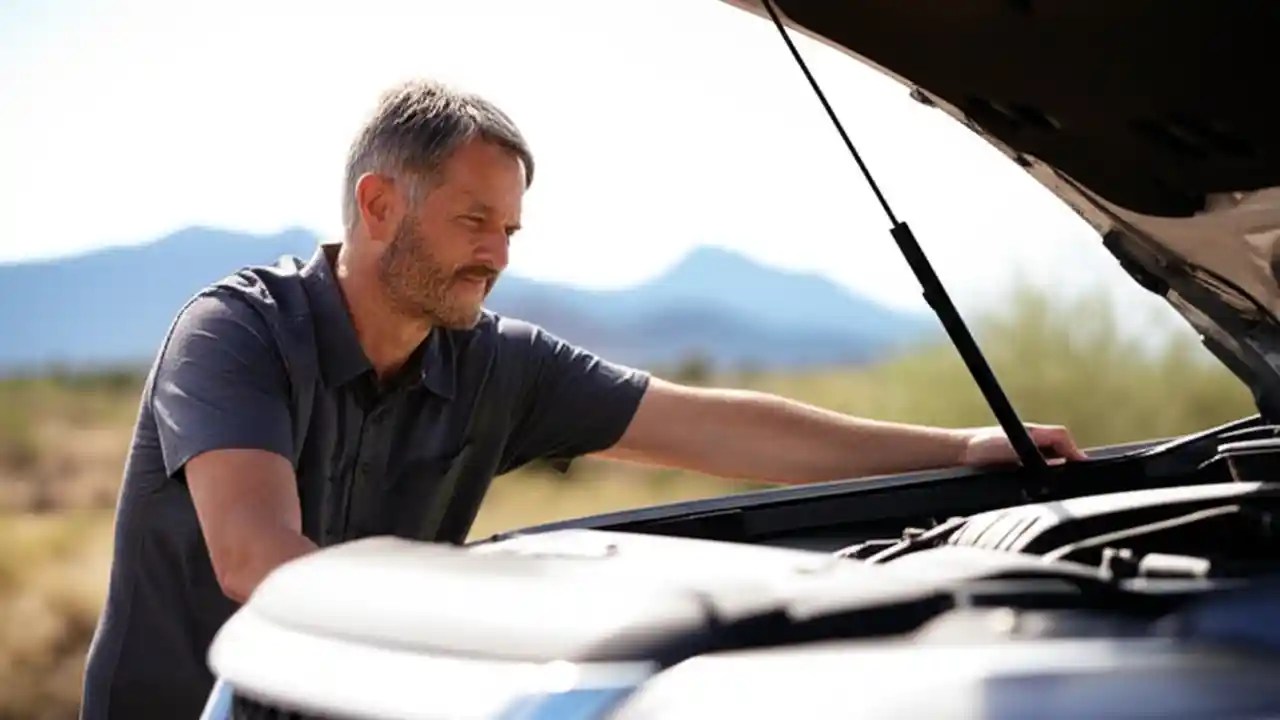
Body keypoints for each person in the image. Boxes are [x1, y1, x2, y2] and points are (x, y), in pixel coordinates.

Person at [79, 78, 1085, 719]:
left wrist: (956, 451)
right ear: (379, 205)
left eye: (511, 231)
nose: (497, 255)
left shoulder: (494, 362)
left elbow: (713, 424)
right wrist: (507, 617)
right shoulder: (234, 334)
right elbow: (261, 565)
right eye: (476, 221)